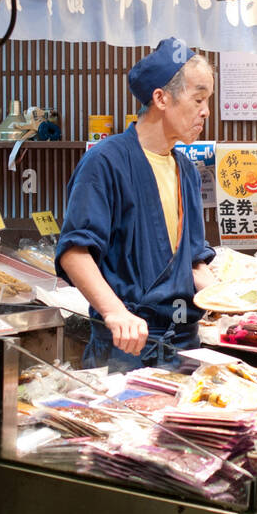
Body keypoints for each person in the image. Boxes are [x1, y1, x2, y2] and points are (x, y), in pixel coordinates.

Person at [56, 38, 217, 371]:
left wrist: (238, 298)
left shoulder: (186, 169)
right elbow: (74, 252)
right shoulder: (105, 161)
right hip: (126, 345)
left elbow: (193, 261)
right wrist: (115, 311)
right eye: (199, 99)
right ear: (161, 98)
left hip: (184, 343)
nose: (206, 111)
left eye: (208, 100)